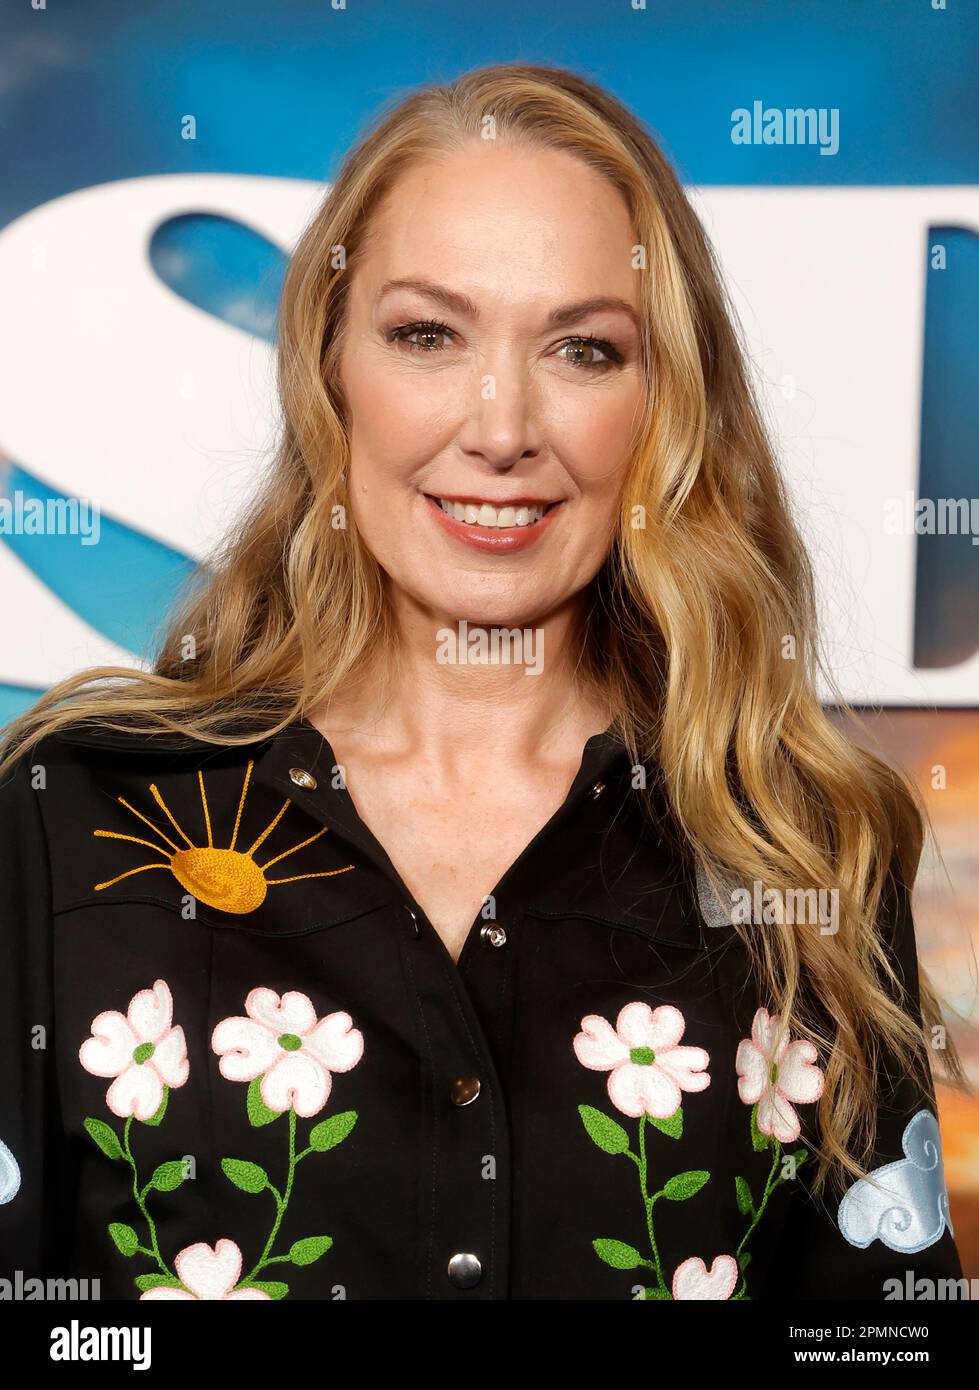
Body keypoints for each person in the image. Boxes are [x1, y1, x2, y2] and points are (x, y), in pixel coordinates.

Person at [0, 62, 968, 1302]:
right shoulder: (73, 818)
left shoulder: (797, 852)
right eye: (426, 334)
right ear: (328, 367)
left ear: (662, 400)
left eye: (581, 348)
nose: (501, 426)